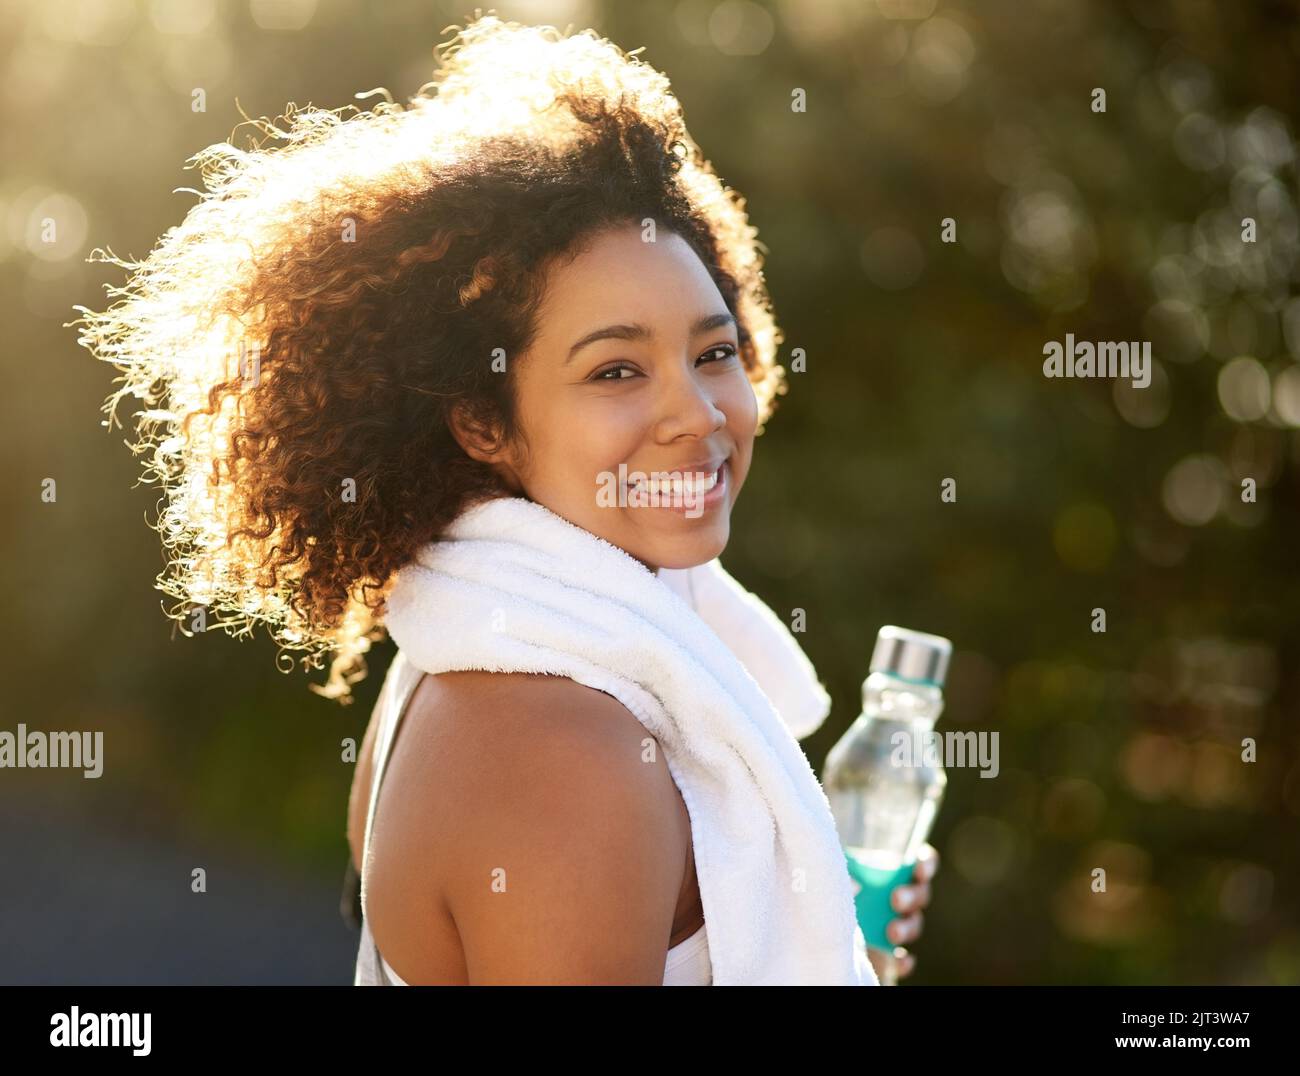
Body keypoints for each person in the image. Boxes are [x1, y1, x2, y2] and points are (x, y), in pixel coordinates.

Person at [72, 14, 936, 985]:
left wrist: (842, 942)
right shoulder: (564, 752)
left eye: (714, 351)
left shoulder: (470, 654)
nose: (696, 413)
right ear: (481, 420)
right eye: (615, 370)